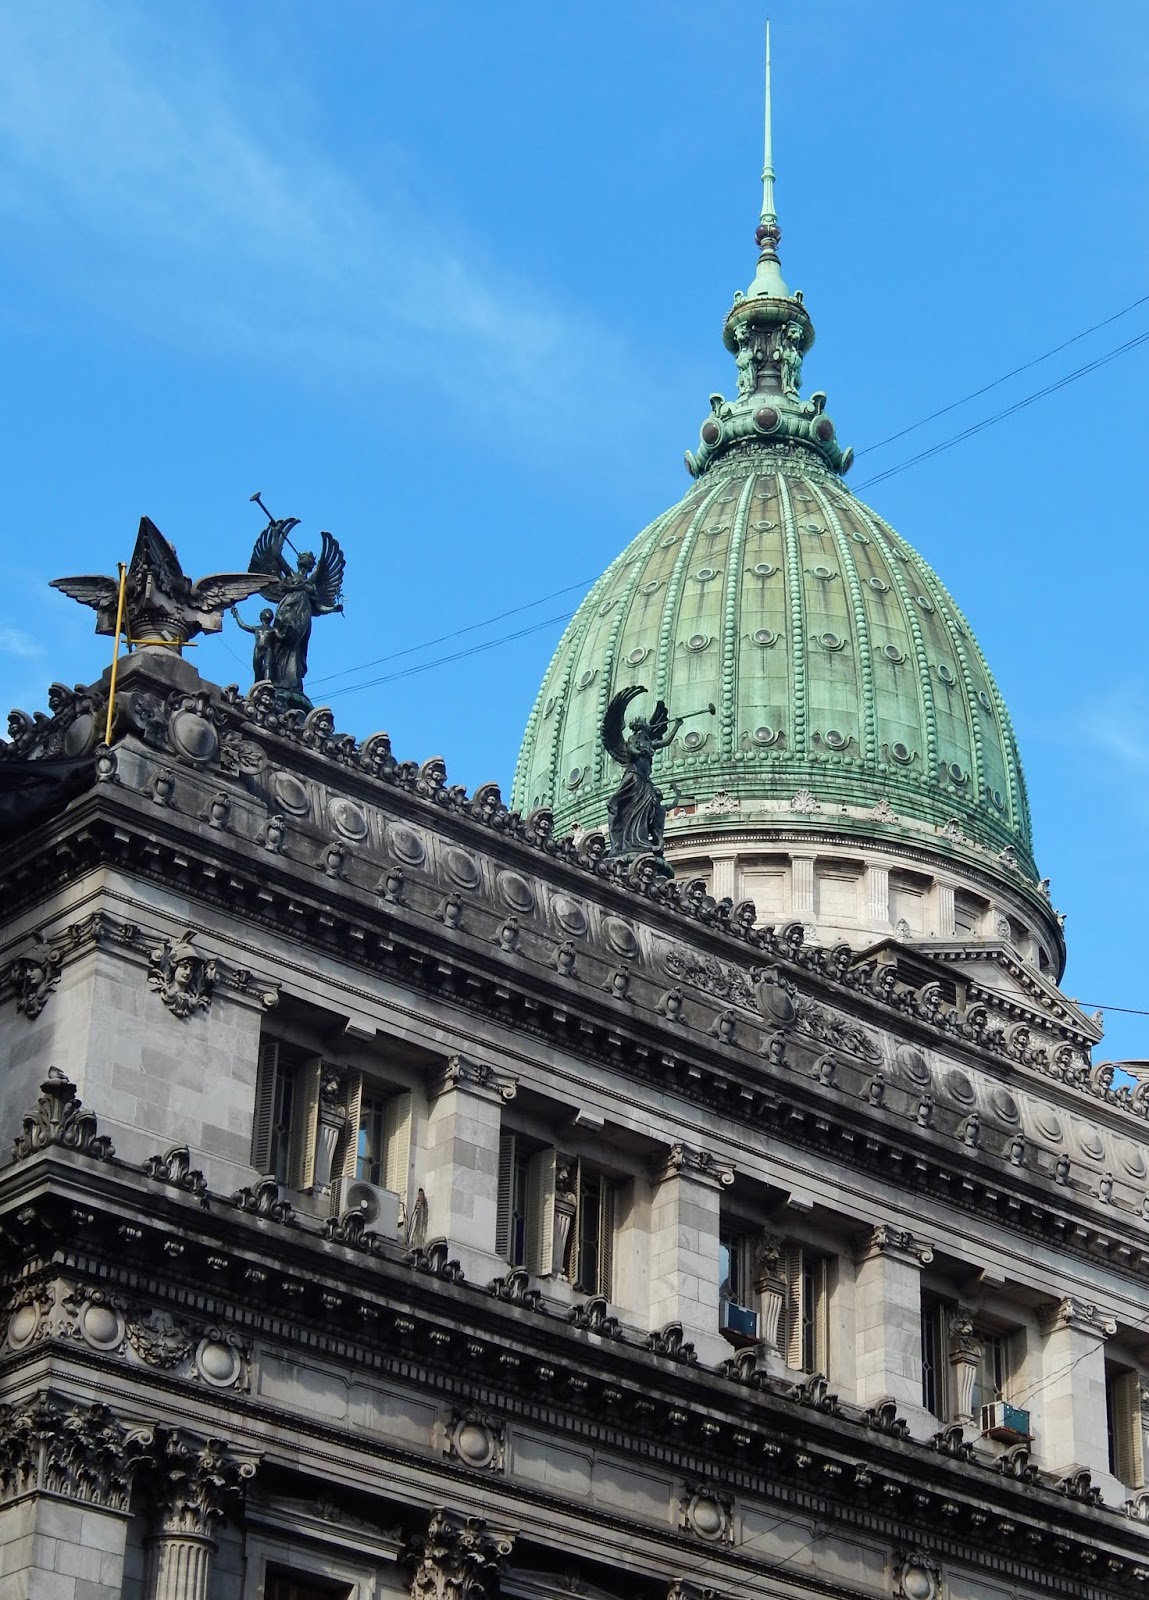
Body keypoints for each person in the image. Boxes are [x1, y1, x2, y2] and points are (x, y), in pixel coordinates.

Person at [231, 606, 278, 683]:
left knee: (267, 666)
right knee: (257, 667)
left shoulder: (273, 630)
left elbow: (283, 637)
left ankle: (267, 682)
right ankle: (258, 683)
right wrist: (236, 615)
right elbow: (242, 625)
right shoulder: (257, 628)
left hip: (268, 649)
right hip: (258, 650)